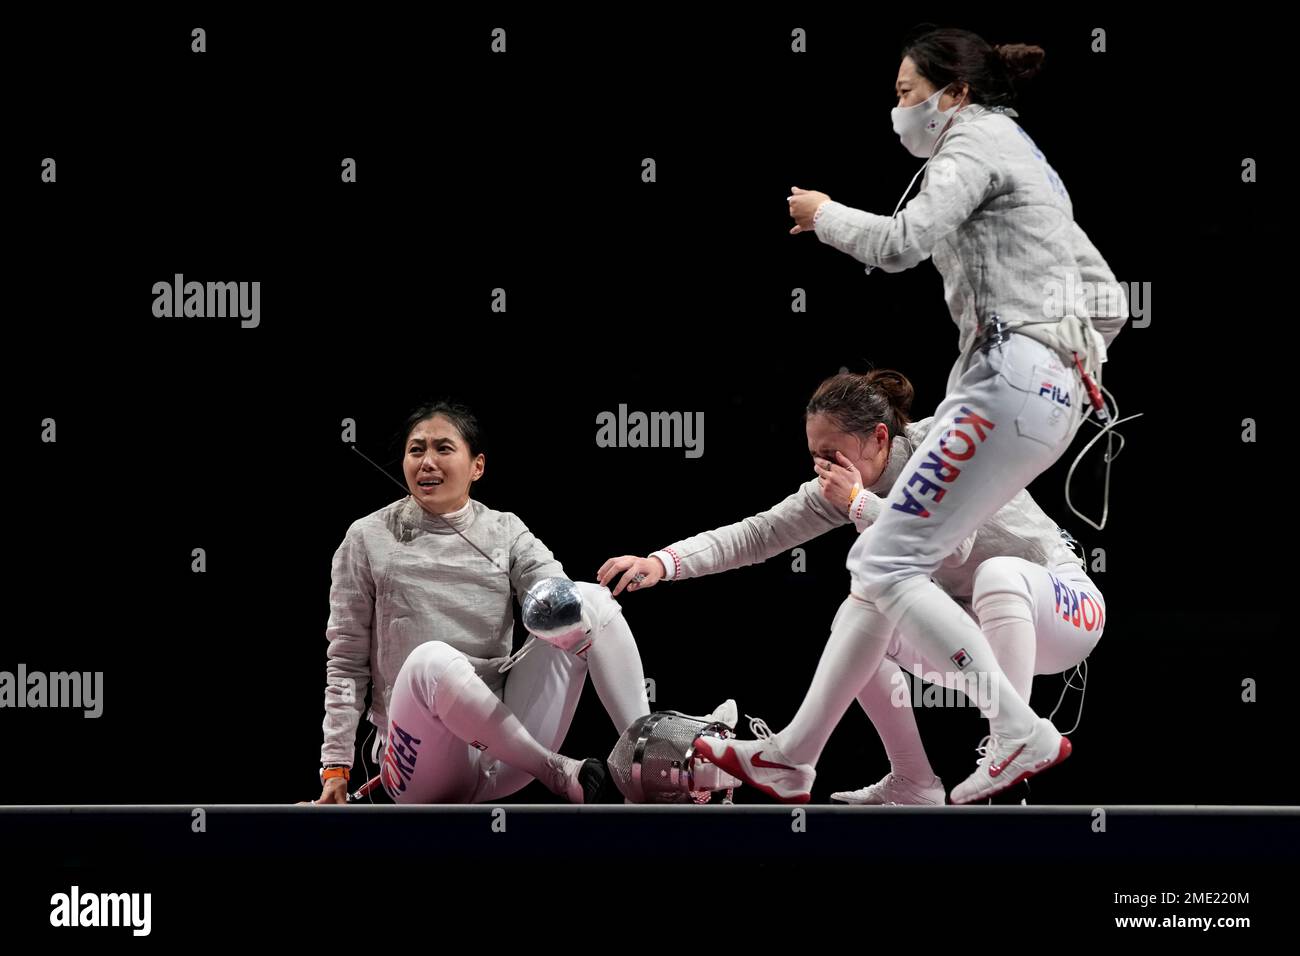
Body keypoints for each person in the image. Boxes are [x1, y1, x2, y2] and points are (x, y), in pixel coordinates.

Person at [599, 367, 1105, 804]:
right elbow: (759, 533)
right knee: (860, 619)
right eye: (815, 456)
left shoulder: (945, 447)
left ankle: (1012, 741)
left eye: (833, 454)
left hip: (1063, 609)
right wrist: (665, 562)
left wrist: (861, 504)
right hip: (978, 632)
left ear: (879, 438)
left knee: (991, 573)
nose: (823, 469)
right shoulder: (838, 487)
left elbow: (953, 547)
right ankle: (908, 780)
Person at [311, 401, 650, 805]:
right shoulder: (366, 538)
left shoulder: (504, 530)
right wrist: (335, 766)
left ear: (477, 466)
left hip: (503, 754)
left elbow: (557, 590)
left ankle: (645, 761)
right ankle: (556, 771)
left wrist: (557, 606)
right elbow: (346, 661)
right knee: (431, 660)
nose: (427, 462)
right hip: (421, 764)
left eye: (443, 448)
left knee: (588, 600)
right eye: (416, 450)